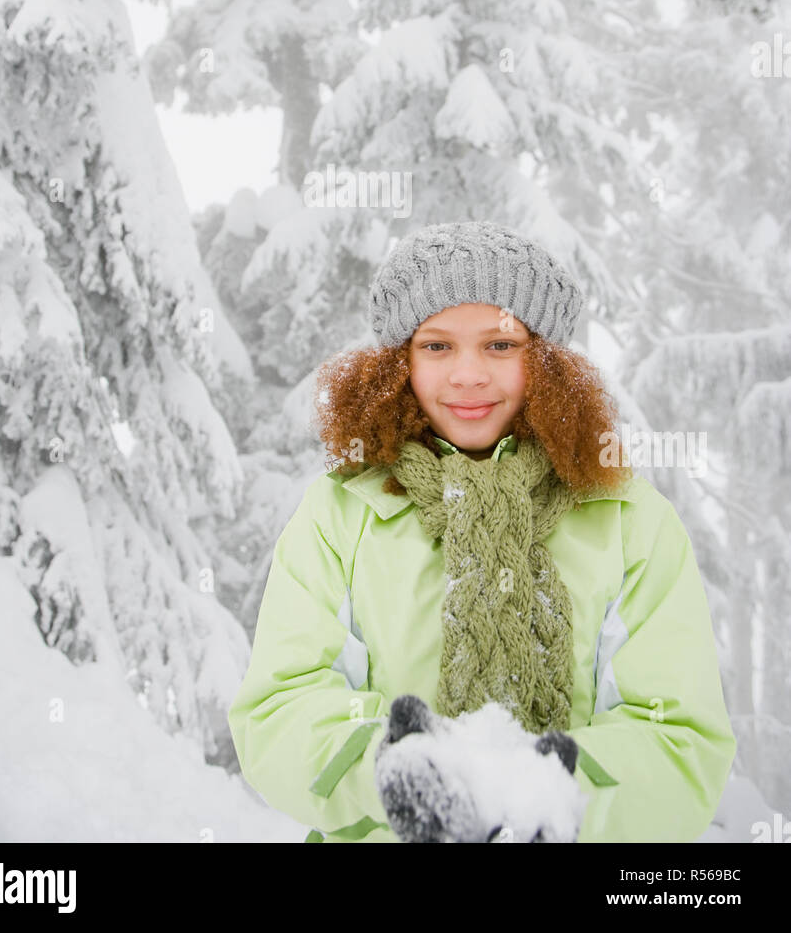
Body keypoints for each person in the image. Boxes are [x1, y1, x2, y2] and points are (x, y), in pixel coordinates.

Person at [227, 219, 737, 843]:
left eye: (500, 345)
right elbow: (279, 711)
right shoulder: (339, 517)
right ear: (398, 365)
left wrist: (553, 799)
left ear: (545, 363)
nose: (467, 375)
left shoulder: (632, 523)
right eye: (437, 346)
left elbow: (680, 741)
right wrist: (392, 770)